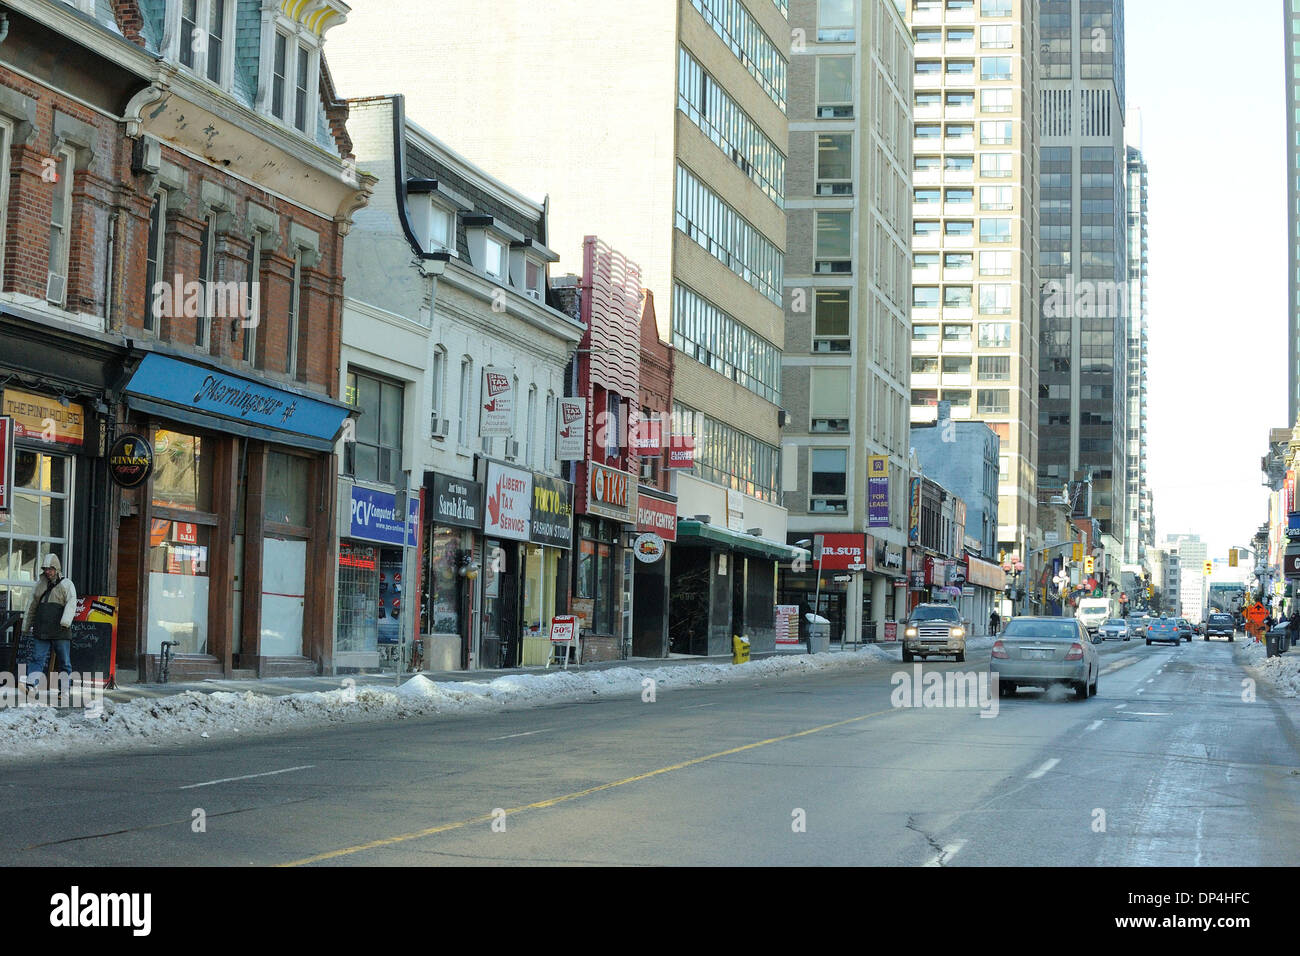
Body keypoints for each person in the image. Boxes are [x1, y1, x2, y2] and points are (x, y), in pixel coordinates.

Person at [21, 554, 77, 688]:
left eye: (50, 569)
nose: (48, 572)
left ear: (56, 569)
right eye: (46, 569)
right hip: (41, 630)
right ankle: (31, 685)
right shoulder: (40, 585)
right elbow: (32, 605)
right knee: (37, 658)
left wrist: (65, 622)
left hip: (60, 630)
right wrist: (26, 626)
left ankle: (64, 688)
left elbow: (71, 603)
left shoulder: (66, 584)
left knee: (64, 661)